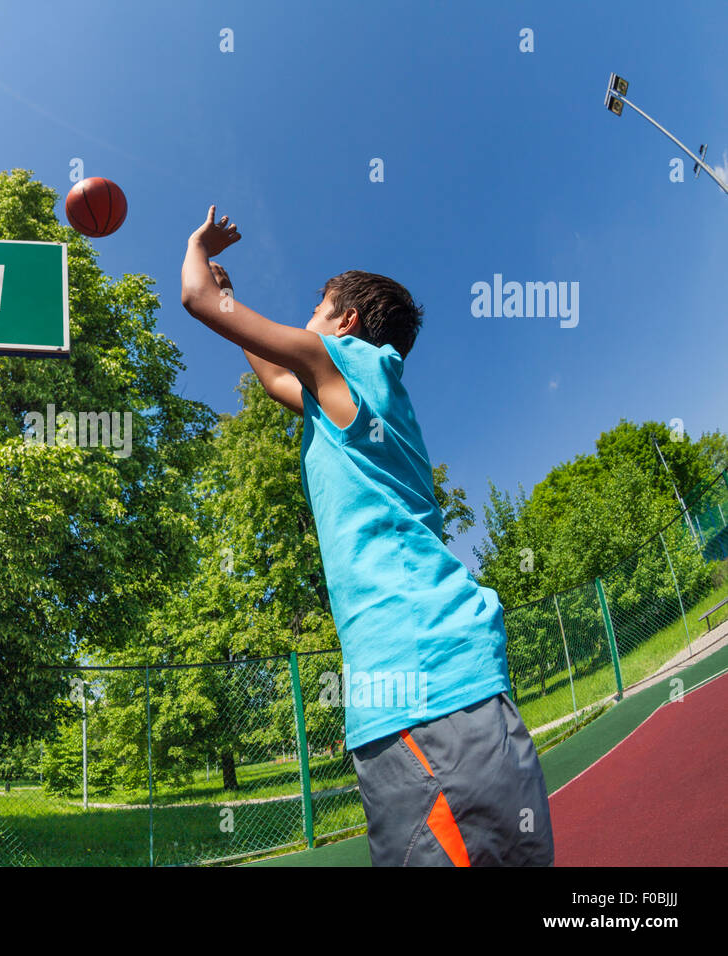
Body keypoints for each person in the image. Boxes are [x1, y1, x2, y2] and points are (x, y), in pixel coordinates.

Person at [180, 206, 553, 866]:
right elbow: (272, 375)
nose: (307, 325)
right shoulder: (355, 400)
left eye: (316, 310)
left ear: (346, 325)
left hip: (423, 694)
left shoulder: (354, 364)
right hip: (436, 696)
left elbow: (196, 299)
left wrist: (197, 249)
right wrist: (232, 292)